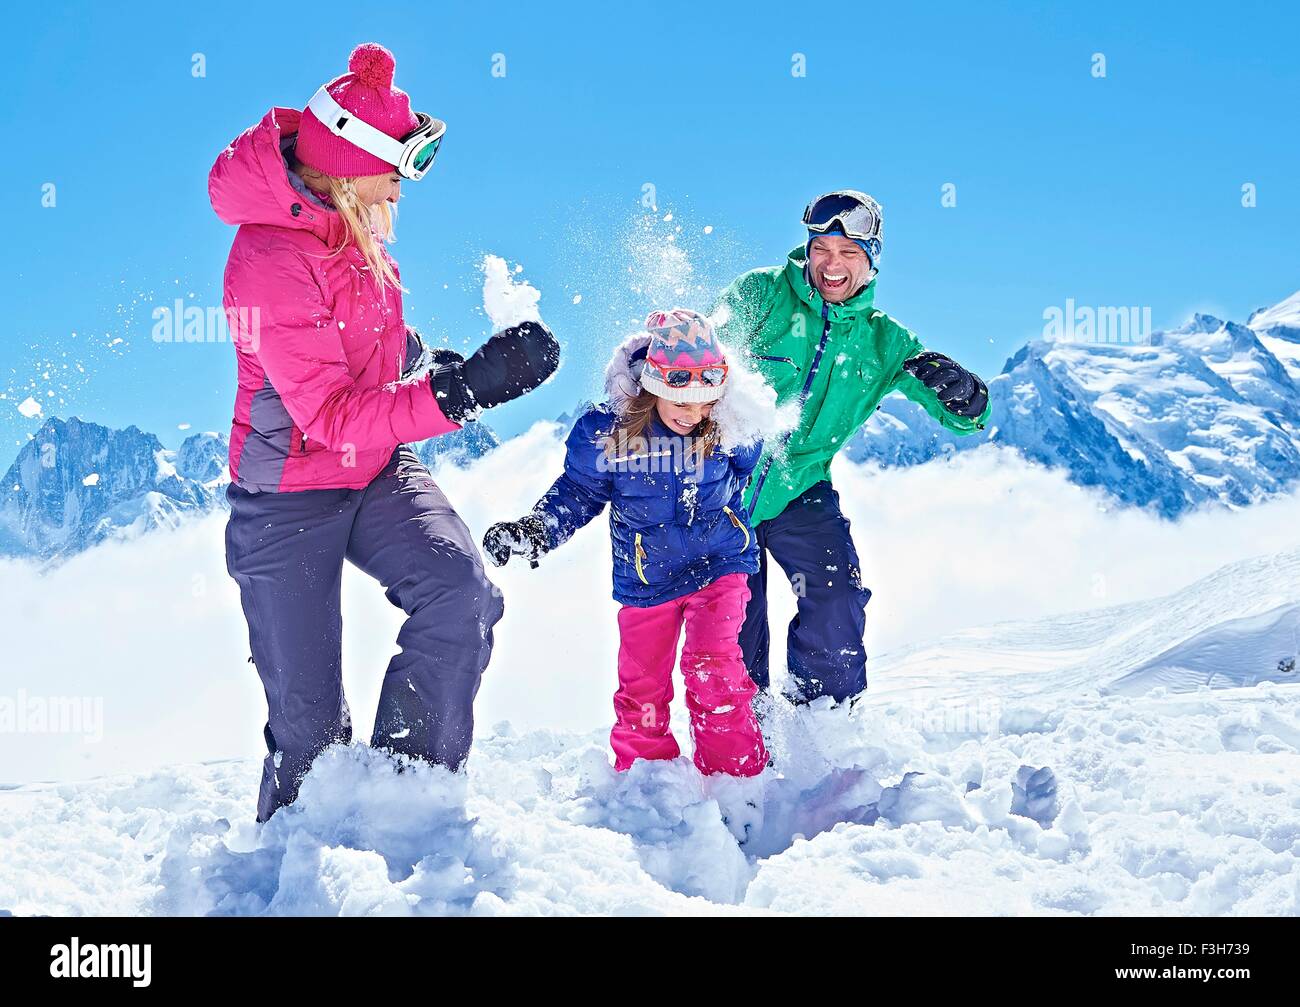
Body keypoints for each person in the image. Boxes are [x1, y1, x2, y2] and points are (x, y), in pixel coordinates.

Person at [208, 43, 560, 822]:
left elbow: (373, 351)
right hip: (288, 495)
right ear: (350, 161)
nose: (405, 182)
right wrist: (463, 391)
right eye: (399, 164)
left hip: (372, 473)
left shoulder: (357, 226)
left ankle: (406, 801)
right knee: (310, 747)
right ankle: (293, 878)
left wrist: (449, 363)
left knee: (461, 596)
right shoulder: (268, 259)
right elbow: (328, 416)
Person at [713, 190, 990, 706]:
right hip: (727, 487)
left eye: (850, 253)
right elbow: (705, 356)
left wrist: (969, 401)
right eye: (822, 248)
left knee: (836, 599)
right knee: (732, 629)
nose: (832, 265)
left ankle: (824, 724)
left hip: (802, 488)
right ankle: (745, 750)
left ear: (872, 260)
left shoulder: (884, 342)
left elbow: (954, 413)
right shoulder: (761, 294)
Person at [483, 309, 769, 778]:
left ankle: (737, 778)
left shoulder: (729, 427)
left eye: (705, 403)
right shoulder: (610, 435)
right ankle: (648, 782)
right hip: (645, 579)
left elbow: (744, 472)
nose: (693, 414)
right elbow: (579, 493)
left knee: (712, 669)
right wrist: (536, 529)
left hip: (719, 564)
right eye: (681, 399)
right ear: (653, 383)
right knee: (643, 690)